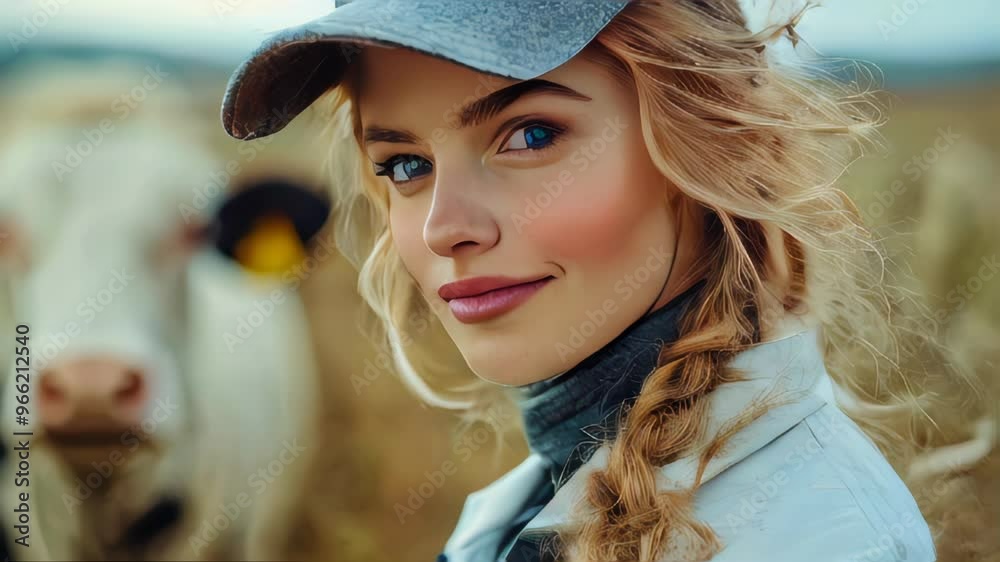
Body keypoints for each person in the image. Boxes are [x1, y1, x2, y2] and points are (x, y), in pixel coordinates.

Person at [220, 1, 952, 560]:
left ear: (711, 142)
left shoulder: (822, 539)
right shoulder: (534, 499)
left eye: (531, 135)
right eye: (406, 165)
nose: (445, 228)